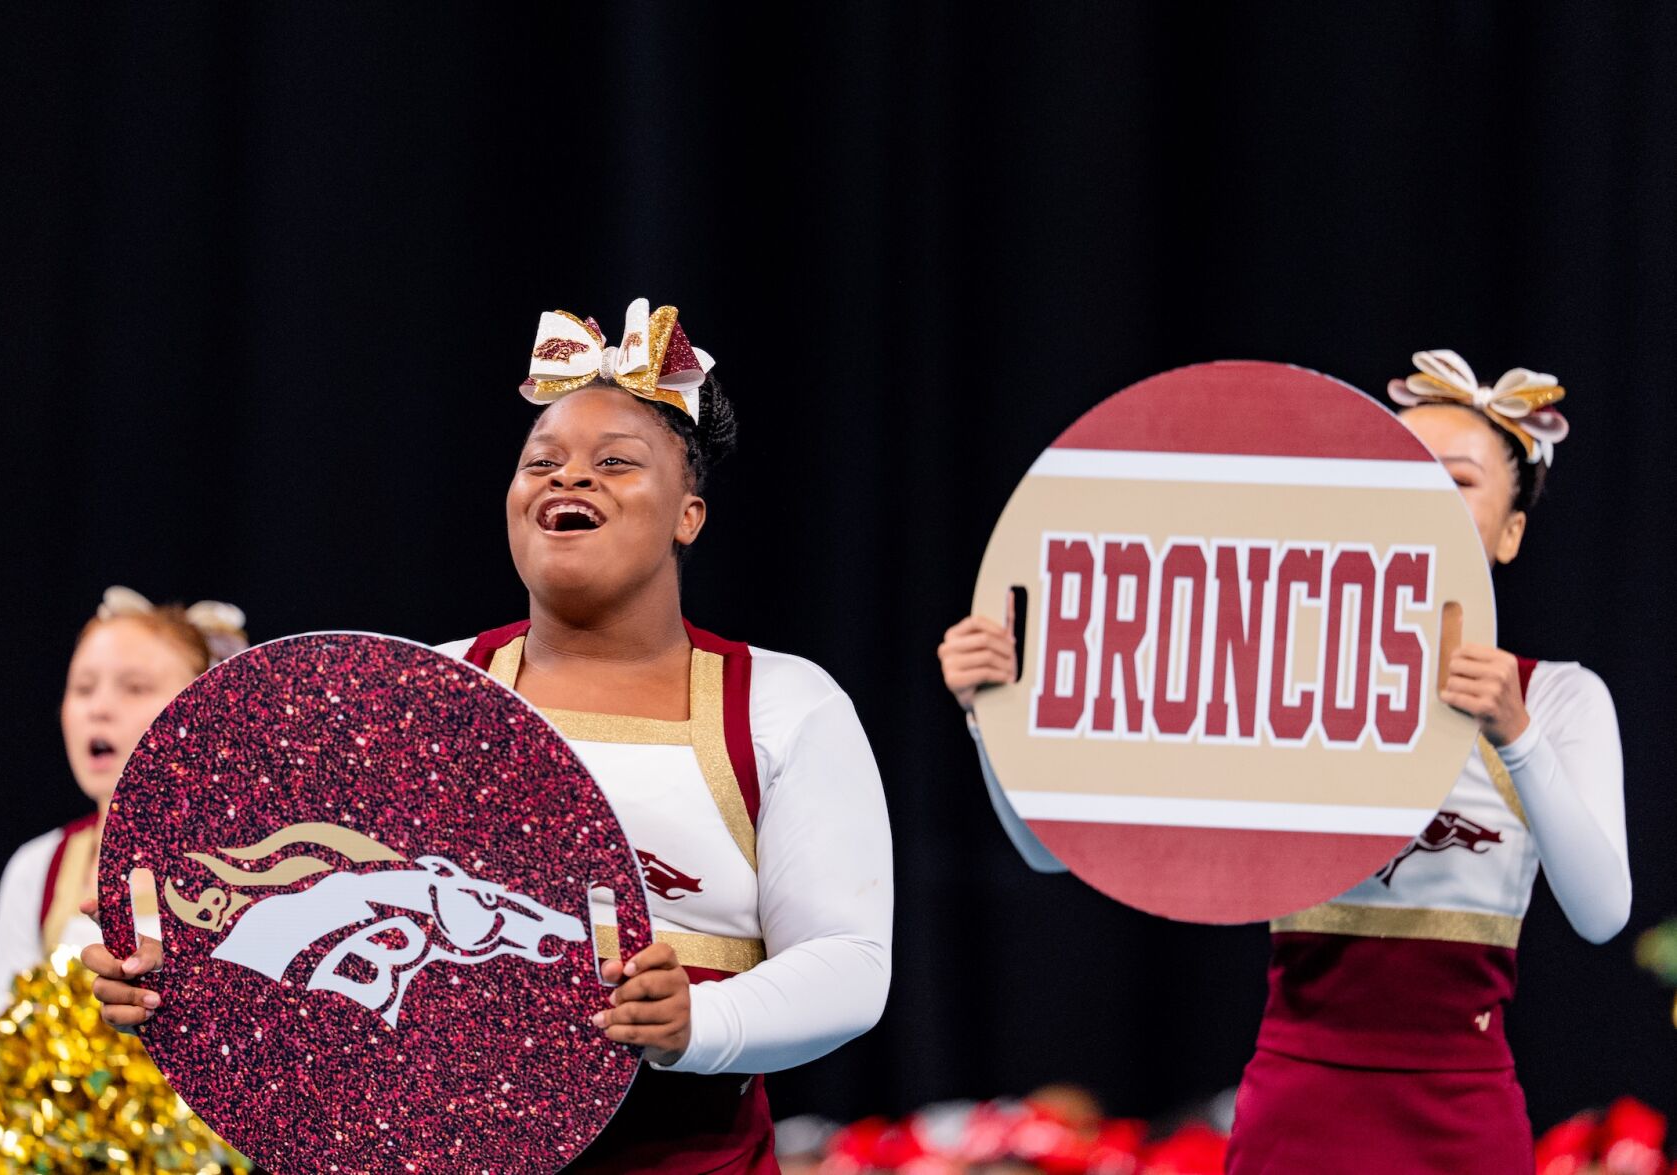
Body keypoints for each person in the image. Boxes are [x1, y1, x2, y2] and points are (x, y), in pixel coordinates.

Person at [83, 299, 895, 1174]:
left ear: (687, 515)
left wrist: (701, 1022)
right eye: (540, 461)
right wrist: (176, 984)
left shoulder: (779, 703)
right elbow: (308, 900)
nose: (567, 478)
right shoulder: (417, 688)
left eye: (615, 463)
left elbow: (849, 963)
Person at [936, 350, 1629, 1174]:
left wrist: (1513, 734)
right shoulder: (1270, 678)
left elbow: (1601, 911)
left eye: (1456, 482)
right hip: (1296, 1105)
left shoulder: (1554, 698)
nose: (1424, 503)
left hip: (1461, 1111)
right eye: (1398, 476)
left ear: (1511, 532)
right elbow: (1053, 850)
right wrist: (993, 717)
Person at [0, 587, 247, 1012]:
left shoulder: (261, 872)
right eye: (84, 688)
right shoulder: (36, 869)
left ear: (206, 711)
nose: (99, 708)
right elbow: (0, 1043)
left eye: (134, 687)